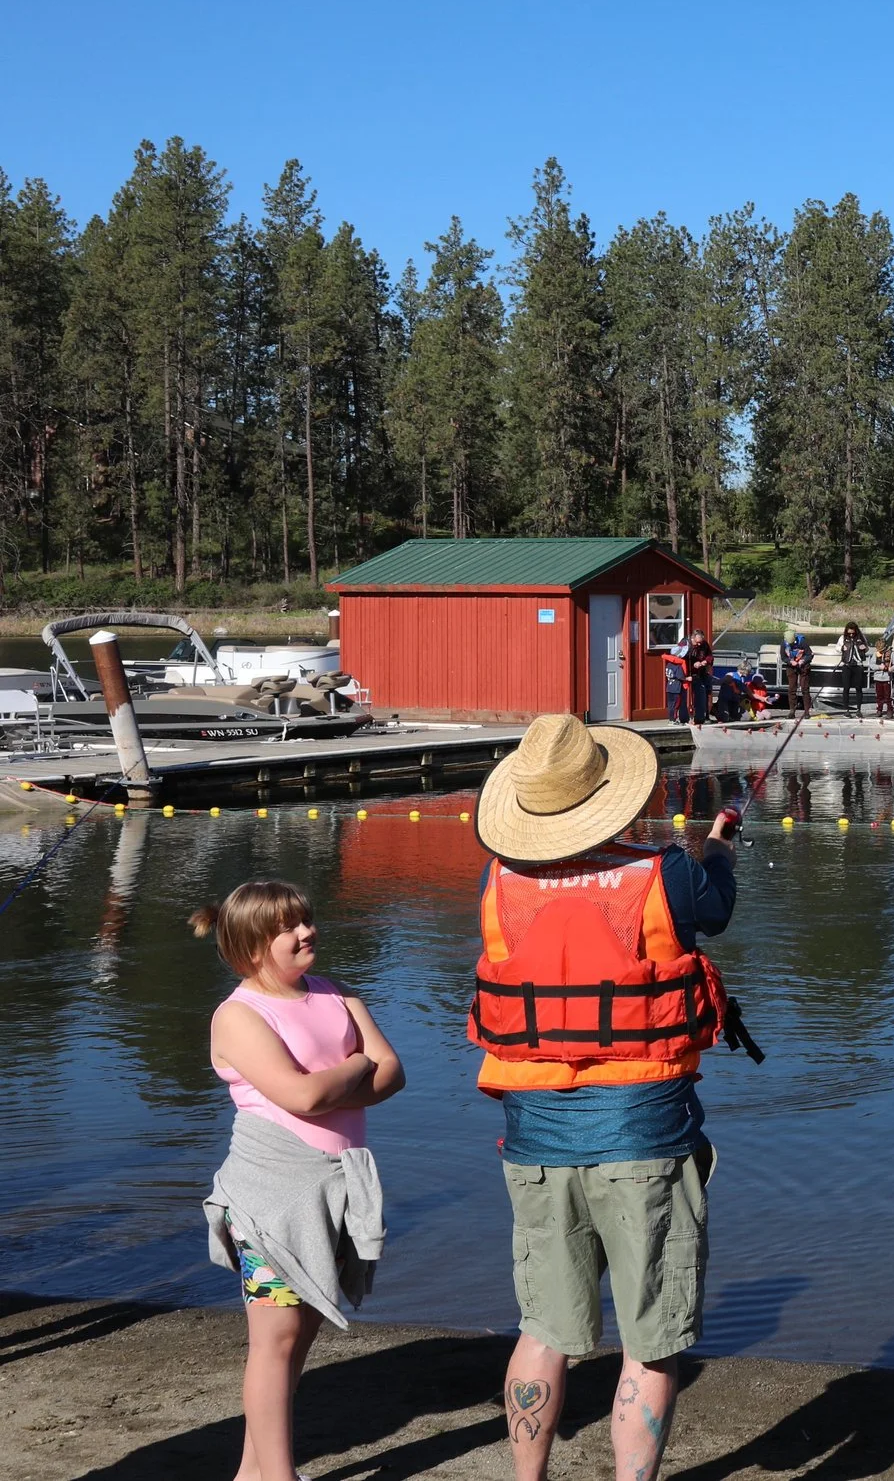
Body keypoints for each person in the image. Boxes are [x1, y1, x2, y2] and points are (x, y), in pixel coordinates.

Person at [469, 714, 744, 1481]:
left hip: (533, 1140)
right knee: (651, 1339)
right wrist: (718, 842)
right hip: (645, 1134)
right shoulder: (664, 870)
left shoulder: (498, 880)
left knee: (544, 1327)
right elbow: (715, 907)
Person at [200, 880, 403, 1481]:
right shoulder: (239, 1015)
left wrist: (355, 1072)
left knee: (302, 1328)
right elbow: (304, 1095)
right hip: (269, 1191)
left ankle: (251, 1472)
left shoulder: (335, 992)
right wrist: (358, 1064)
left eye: (306, 920)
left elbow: (395, 1074)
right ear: (252, 947)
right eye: (288, 927)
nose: (306, 932)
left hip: (334, 1184)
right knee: (277, 1336)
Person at [837, 622, 870, 717]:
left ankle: (858, 710)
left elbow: (867, 648)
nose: (851, 635)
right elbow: (837, 648)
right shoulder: (842, 638)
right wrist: (842, 648)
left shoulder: (862, 637)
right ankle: (846, 710)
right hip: (847, 665)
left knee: (858, 688)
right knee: (846, 688)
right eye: (849, 633)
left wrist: (865, 647)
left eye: (853, 633)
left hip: (858, 665)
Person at [682, 630, 714, 728]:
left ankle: (703, 717)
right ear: (693, 638)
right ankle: (687, 718)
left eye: (701, 641)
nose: (699, 644)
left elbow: (710, 656)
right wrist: (693, 665)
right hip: (689, 674)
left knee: (704, 693)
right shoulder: (685, 644)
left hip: (702, 672)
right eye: (698, 642)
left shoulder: (704, 644)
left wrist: (706, 661)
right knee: (688, 697)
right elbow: (680, 658)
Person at [783, 631, 815, 712]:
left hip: (803, 666)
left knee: (804, 688)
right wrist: (790, 662)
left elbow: (810, 654)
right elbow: (783, 657)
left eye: (792, 642)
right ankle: (792, 711)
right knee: (792, 688)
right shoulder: (783, 644)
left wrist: (803, 661)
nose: (791, 644)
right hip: (791, 666)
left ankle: (807, 711)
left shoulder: (802, 642)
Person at [872, 642, 894, 717]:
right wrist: (879, 667)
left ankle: (889, 710)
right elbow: (871, 665)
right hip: (878, 678)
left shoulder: (891, 653)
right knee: (879, 695)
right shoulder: (875, 654)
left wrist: (892, 668)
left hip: (887, 678)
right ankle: (879, 709)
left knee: (888, 696)